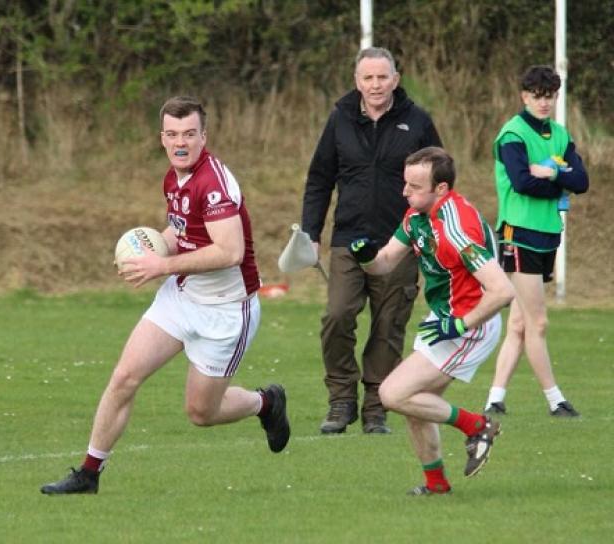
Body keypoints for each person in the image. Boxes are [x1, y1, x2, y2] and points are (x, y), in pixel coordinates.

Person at [40, 96, 290, 495]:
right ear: (162, 138)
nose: (181, 143)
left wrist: (162, 267)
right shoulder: (174, 177)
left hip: (225, 312)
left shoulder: (214, 185)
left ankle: (266, 403)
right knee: (124, 377)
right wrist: (150, 250)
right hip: (181, 297)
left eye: (189, 134)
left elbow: (230, 251)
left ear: (203, 136)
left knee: (201, 412)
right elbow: (182, 233)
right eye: (172, 135)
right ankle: (88, 473)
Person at [350, 146, 515, 495]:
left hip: (470, 326)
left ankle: (478, 426)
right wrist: (365, 256)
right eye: (405, 183)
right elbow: (384, 263)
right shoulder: (417, 216)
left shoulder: (456, 229)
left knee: (393, 394)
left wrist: (459, 326)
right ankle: (436, 484)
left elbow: (502, 291)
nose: (404, 192)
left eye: (414, 186)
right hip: (442, 319)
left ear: (441, 189)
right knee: (416, 405)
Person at [301, 47, 442, 434]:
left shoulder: (417, 122)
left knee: (388, 325)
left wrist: (433, 230)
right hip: (348, 239)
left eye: (383, 77)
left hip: (400, 241)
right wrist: (311, 233)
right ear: (357, 81)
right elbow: (319, 179)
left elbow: (440, 181)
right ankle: (341, 400)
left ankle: (377, 407)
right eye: (368, 78)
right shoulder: (340, 118)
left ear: (396, 79)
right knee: (337, 315)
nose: (376, 85)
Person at [483, 65, 589, 418]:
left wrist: (556, 172)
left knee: (519, 323)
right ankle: (555, 400)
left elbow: (583, 181)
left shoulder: (559, 134)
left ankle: (494, 399)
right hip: (519, 234)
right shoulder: (512, 134)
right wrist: (563, 181)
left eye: (549, 96)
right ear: (524, 96)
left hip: (546, 234)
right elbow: (522, 182)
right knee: (538, 322)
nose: (543, 103)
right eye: (536, 96)